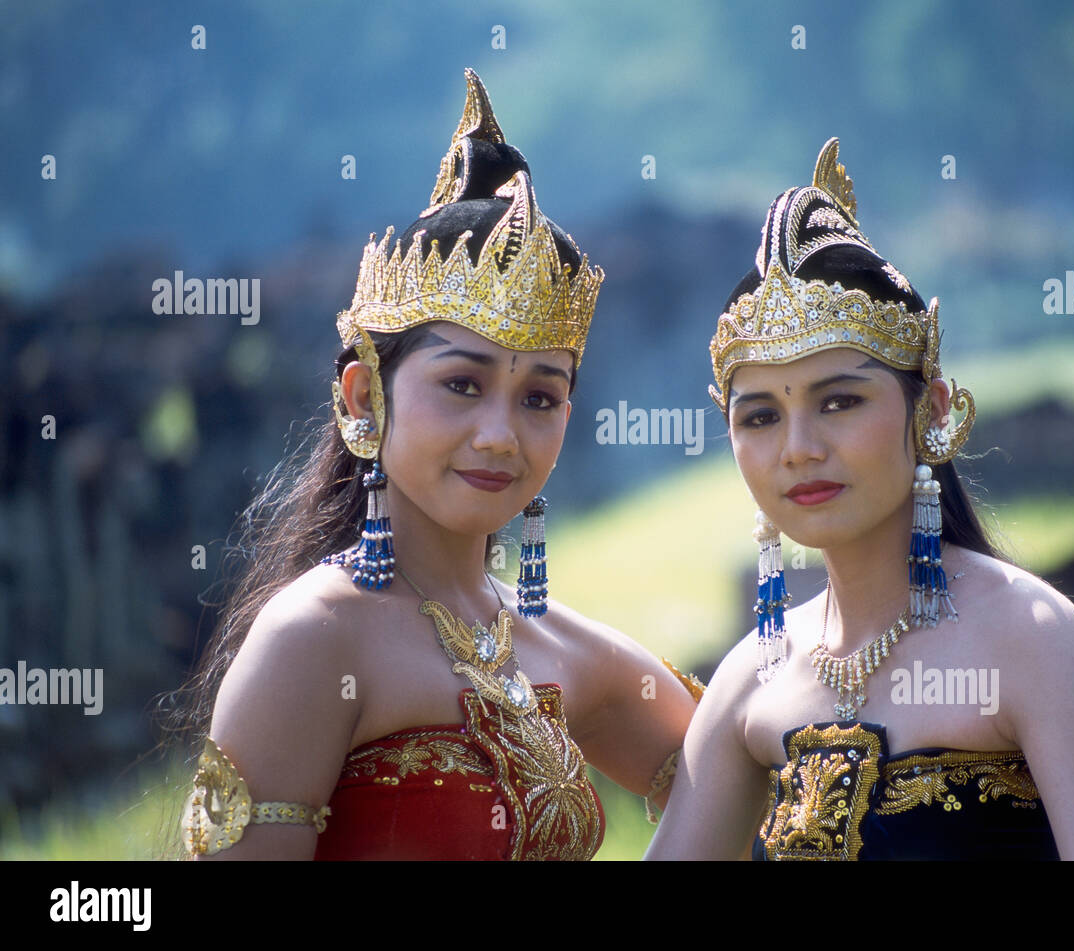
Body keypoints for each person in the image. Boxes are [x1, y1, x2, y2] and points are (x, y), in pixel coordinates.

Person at [173, 69, 698, 860]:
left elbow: (742, 763)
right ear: (362, 398)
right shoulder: (313, 640)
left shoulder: (561, 650)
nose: (500, 435)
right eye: (462, 384)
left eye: (539, 398)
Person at [645, 139, 1074, 860]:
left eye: (840, 400)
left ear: (931, 409)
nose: (798, 447)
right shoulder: (753, 675)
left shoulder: (1032, 639)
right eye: (759, 416)